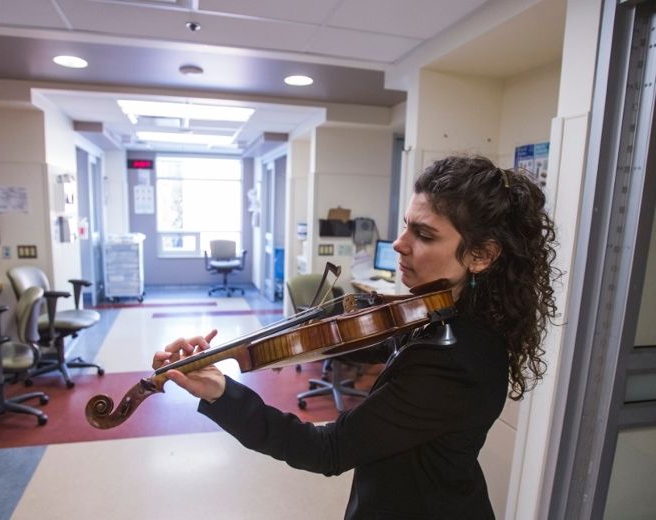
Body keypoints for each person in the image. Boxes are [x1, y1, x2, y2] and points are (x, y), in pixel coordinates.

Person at [153, 155, 559, 519]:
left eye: (425, 234)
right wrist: (303, 334)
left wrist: (222, 393)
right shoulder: (440, 311)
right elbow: (379, 345)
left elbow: (326, 449)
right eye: (405, 226)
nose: (399, 244)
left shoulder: (457, 356)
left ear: (482, 255)